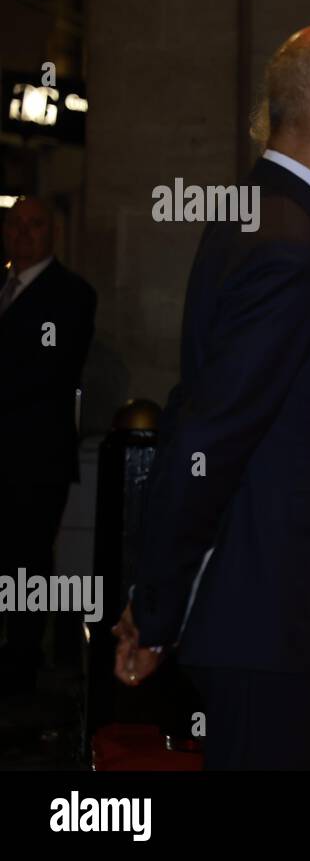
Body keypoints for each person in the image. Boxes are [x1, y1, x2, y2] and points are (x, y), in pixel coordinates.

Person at [111, 23, 310, 770]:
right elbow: (205, 436)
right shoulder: (290, 243)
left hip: (285, 621)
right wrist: (153, 611)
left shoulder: (273, 212)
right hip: (275, 624)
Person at [0, 196, 96, 695]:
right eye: (14, 224)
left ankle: (21, 663)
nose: (22, 233)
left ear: (52, 233)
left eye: (34, 225)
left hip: (34, 455)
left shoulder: (70, 295)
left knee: (27, 558)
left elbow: (48, 369)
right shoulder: (3, 288)